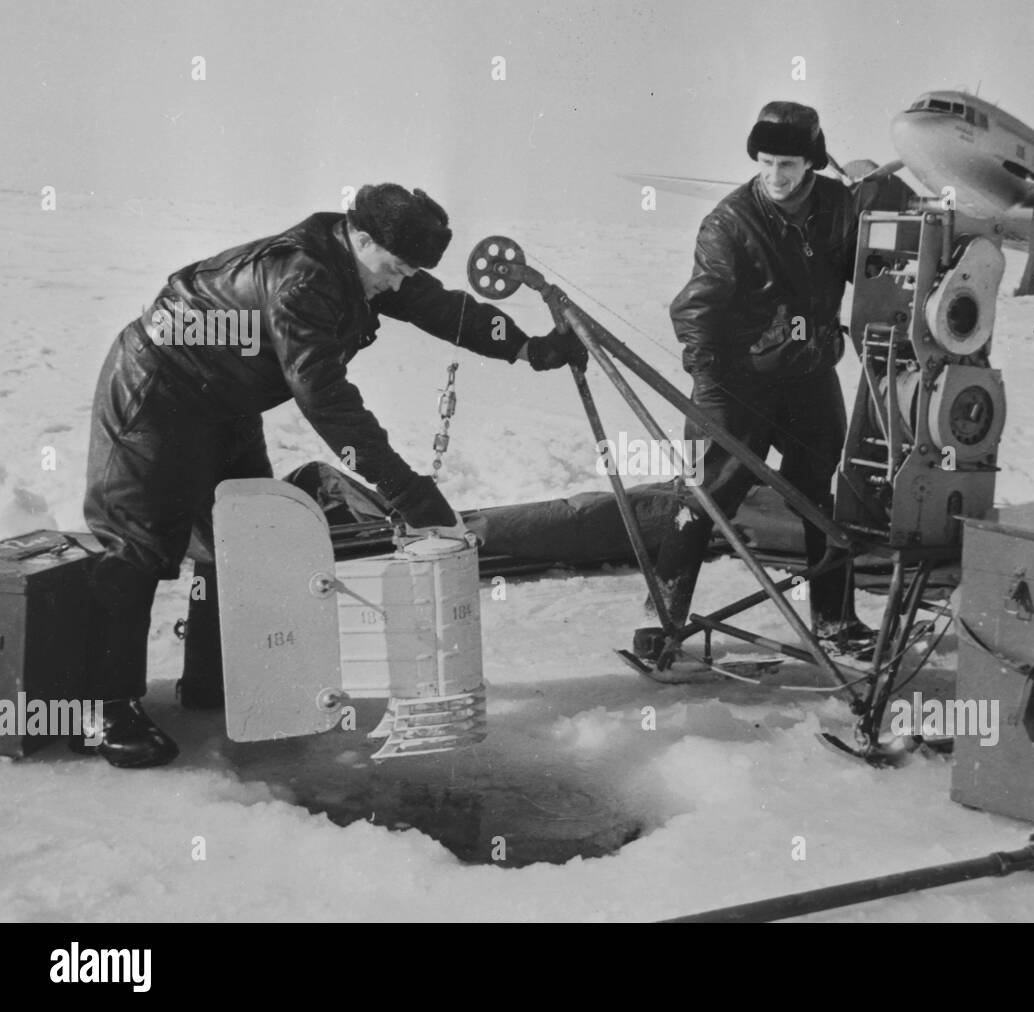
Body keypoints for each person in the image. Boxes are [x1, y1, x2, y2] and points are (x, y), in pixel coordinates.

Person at [75, 183, 586, 768]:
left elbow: (439, 306)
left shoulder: (362, 260)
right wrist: (405, 490)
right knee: (136, 543)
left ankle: (214, 679)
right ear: (361, 237)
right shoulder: (305, 279)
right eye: (394, 269)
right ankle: (104, 713)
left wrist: (525, 348)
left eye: (405, 272)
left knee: (243, 539)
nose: (397, 283)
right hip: (158, 386)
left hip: (226, 397)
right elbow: (324, 396)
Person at [636, 101, 881, 666]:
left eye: (789, 164)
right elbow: (698, 308)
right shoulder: (731, 223)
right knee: (704, 495)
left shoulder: (840, 207)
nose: (776, 176)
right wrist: (708, 382)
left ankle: (835, 621)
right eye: (767, 162)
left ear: (812, 164)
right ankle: (662, 620)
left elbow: (867, 267)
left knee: (819, 491)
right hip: (736, 378)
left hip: (808, 372)